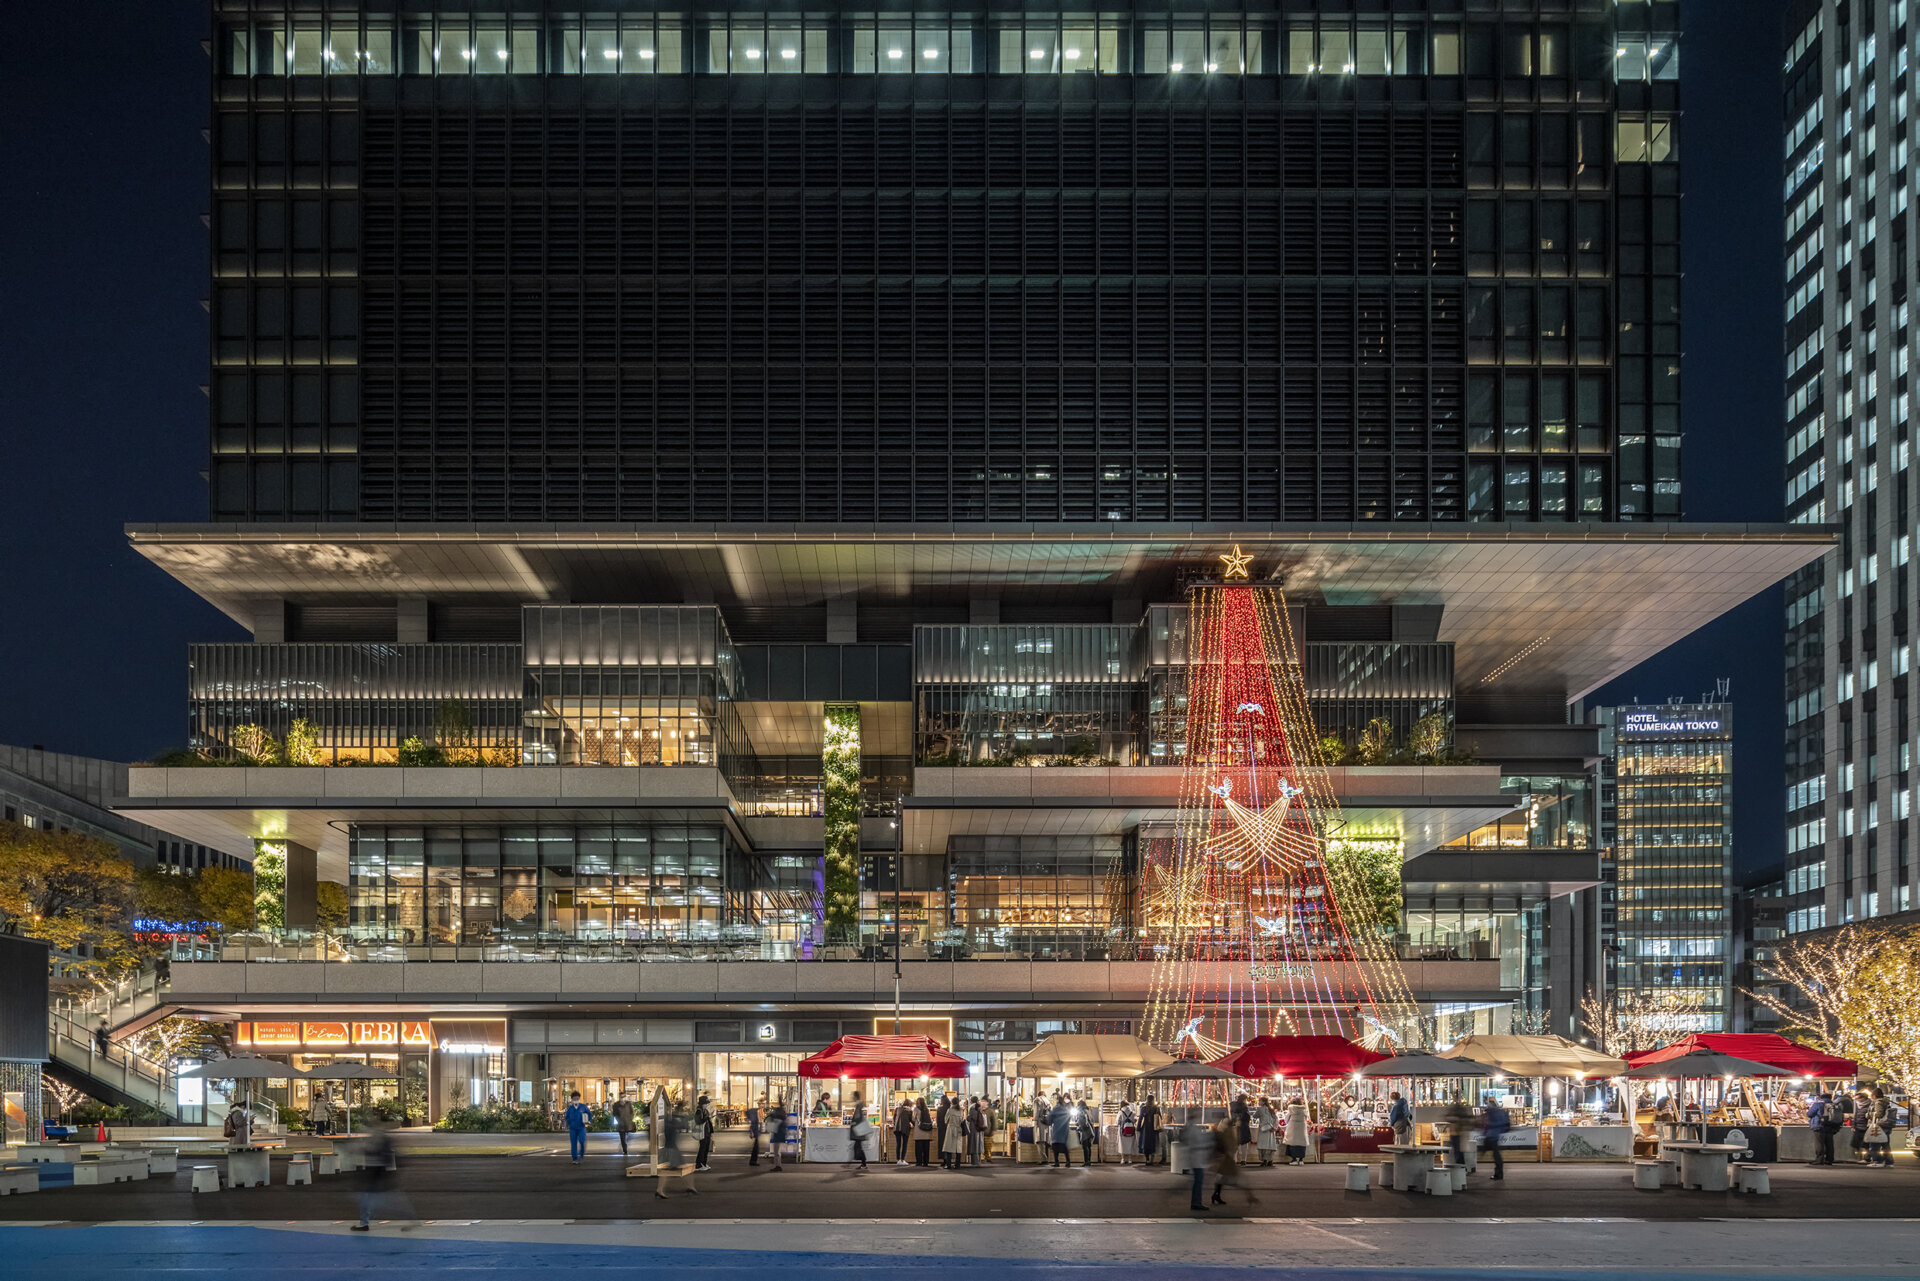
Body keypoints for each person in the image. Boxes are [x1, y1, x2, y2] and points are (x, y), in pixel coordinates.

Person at [351, 1119, 407, 1230]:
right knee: (387, 1198)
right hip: (379, 1171)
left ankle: (364, 1223)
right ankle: (409, 1219)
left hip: (375, 1172)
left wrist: (361, 1148)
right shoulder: (382, 1137)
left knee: (369, 1198)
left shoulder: (377, 1138)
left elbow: (372, 1150)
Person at [656, 1099, 700, 1198]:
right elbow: (682, 1125)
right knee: (683, 1168)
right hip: (672, 1149)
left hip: (669, 1148)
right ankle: (690, 1187)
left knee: (668, 1171)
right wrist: (684, 1118)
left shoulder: (665, 1121)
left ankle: (660, 1190)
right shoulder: (669, 1122)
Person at [1208, 1115, 1252, 1208]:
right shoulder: (1229, 1131)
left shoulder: (1227, 1131)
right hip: (1227, 1159)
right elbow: (1230, 1145)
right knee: (1233, 1179)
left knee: (1223, 1179)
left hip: (1226, 1158)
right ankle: (1249, 1196)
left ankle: (1216, 1195)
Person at [1178, 1113, 1212, 1212]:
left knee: (1197, 1180)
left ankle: (1196, 1201)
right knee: (1198, 1181)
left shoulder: (1188, 1129)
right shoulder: (1193, 1130)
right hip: (1197, 1158)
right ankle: (1196, 1202)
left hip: (1194, 1158)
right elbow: (1199, 1142)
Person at [1479, 1096, 1510, 1180]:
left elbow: (1490, 1124)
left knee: (1496, 1154)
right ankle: (1498, 1173)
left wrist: (1487, 1126)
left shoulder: (1492, 1113)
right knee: (1496, 1154)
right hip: (1495, 1135)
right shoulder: (1499, 1112)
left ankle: (1498, 1174)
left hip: (1492, 1135)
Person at [1864, 1086, 1894, 1167]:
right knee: (1885, 1145)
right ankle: (1889, 1162)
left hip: (1878, 1126)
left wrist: (1868, 1114)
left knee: (1874, 1145)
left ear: (1874, 1095)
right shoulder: (1885, 1102)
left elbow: (1878, 1114)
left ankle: (1877, 1161)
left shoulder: (1878, 1102)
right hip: (1886, 1126)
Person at [1442, 1097, 1472, 1170]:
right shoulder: (1460, 1115)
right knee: (1458, 1153)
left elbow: (1449, 1118)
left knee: (1458, 1153)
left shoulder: (1456, 1116)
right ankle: (1462, 1168)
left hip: (1457, 1135)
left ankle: (1461, 1168)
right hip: (1457, 1135)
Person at [563, 1090, 592, 1164]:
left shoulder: (583, 1107)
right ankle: (574, 1158)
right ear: (572, 1099)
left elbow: (589, 1114)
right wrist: (566, 1125)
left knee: (582, 1141)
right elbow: (566, 1117)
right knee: (573, 1143)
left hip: (581, 1127)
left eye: (577, 1098)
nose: (576, 1100)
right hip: (572, 1128)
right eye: (574, 1099)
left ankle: (581, 1155)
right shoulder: (570, 1108)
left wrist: (589, 1121)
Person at [1815, 1090, 1841, 1166]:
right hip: (1831, 1126)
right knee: (1830, 1144)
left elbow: (1809, 1113)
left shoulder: (1819, 1104)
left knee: (1820, 1143)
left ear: (1821, 1097)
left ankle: (1819, 1160)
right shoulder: (1835, 1105)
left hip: (1820, 1125)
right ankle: (1829, 1159)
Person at [1282, 1096, 1310, 1166]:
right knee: (1301, 1143)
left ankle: (1294, 1159)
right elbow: (1306, 1118)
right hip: (1302, 1128)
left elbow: (1286, 1119)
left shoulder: (1291, 1109)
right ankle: (1301, 1160)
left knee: (1292, 1143)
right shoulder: (1303, 1109)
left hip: (1292, 1128)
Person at [943, 1094, 969, 1168]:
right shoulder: (961, 1111)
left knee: (949, 1147)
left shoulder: (950, 1110)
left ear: (952, 1102)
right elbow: (962, 1121)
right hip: (959, 1130)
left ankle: (948, 1164)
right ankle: (957, 1164)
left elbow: (946, 1120)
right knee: (958, 1148)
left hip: (951, 1129)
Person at [848, 1091, 870, 1171]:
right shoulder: (859, 1105)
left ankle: (863, 1163)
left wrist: (853, 1123)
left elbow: (857, 1118)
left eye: (853, 1096)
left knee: (858, 1148)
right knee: (858, 1147)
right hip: (859, 1131)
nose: (851, 1098)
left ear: (855, 1097)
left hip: (858, 1131)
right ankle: (863, 1163)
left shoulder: (858, 1106)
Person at [1048, 1094, 1073, 1167]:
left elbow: (1050, 1118)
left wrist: (1048, 1121)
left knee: (1055, 1146)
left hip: (1057, 1129)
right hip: (1065, 1129)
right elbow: (1069, 1117)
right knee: (1064, 1146)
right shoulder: (1066, 1109)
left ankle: (1057, 1162)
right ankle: (1068, 1161)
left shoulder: (1055, 1109)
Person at [1253, 1096, 1278, 1167]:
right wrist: (1274, 1127)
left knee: (1263, 1145)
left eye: (1260, 1101)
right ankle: (1270, 1160)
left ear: (1263, 1102)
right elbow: (1276, 1119)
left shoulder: (1260, 1109)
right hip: (1271, 1129)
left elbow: (1255, 1116)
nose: (1259, 1102)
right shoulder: (1271, 1109)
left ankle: (1265, 1160)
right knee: (1270, 1145)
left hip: (1263, 1129)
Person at [765, 1096, 788, 1172]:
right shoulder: (783, 1119)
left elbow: (771, 1117)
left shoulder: (778, 1119)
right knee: (778, 1151)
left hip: (778, 1136)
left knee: (776, 1151)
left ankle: (778, 1166)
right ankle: (778, 1165)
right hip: (780, 1135)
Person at [694, 1092, 716, 1171]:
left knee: (706, 1148)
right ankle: (699, 1164)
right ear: (702, 1103)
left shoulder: (705, 1110)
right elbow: (698, 1121)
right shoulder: (699, 1111)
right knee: (702, 1148)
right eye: (705, 1103)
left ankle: (703, 1163)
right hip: (702, 1132)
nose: (706, 1105)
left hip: (707, 1132)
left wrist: (711, 1131)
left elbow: (708, 1121)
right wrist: (705, 1118)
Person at [1848, 1088, 1870, 1164]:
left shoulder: (1869, 1106)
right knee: (1855, 1144)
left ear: (1863, 1098)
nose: (1856, 1100)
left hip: (1866, 1128)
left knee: (1866, 1144)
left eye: (1858, 1098)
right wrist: (1853, 1125)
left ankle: (1867, 1158)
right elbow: (1855, 1116)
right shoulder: (1858, 1105)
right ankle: (1858, 1157)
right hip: (1858, 1127)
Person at [1137, 1094, 1161, 1166]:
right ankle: (1152, 1160)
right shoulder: (1156, 1108)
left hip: (1145, 1128)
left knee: (1145, 1144)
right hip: (1154, 1128)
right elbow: (1160, 1118)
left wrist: (1138, 1127)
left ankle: (1147, 1160)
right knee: (1153, 1143)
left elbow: (1140, 1119)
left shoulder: (1143, 1108)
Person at [612, 1092, 637, 1159]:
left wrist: (630, 1119)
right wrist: (618, 1120)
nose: (623, 1098)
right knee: (622, 1138)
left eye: (624, 1097)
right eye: (621, 1097)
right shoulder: (616, 1105)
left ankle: (625, 1145)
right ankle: (624, 1149)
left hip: (628, 1123)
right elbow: (614, 1114)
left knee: (629, 1135)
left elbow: (632, 1112)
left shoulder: (628, 1104)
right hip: (621, 1124)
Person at [1231, 1092, 1253, 1162]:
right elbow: (1247, 1116)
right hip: (1243, 1126)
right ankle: (1243, 1160)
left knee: (1235, 1144)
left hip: (1235, 1125)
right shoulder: (1244, 1107)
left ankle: (1234, 1159)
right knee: (1244, 1144)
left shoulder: (1232, 1105)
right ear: (1244, 1099)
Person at [913, 1096, 934, 1167]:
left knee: (918, 1149)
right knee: (926, 1149)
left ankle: (919, 1162)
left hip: (919, 1132)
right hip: (927, 1133)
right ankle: (926, 1162)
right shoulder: (926, 1109)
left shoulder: (916, 1109)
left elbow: (913, 1118)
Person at [1074, 1097, 1095, 1167]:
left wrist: (1078, 1125)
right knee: (1088, 1146)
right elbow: (1092, 1120)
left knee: (1085, 1146)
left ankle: (1086, 1161)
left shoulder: (1080, 1112)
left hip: (1085, 1131)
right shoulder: (1088, 1111)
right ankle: (1089, 1161)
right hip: (1090, 1130)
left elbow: (1082, 1123)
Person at [893, 1096, 914, 1165]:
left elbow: (894, 1118)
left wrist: (895, 1124)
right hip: (905, 1129)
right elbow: (912, 1120)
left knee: (898, 1144)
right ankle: (902, 1159)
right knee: (904, 1144)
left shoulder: (897, 1109)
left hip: (897, 1129)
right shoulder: (909, 1110)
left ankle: (898, 1159)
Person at [1117, 1100, 1138, 1166]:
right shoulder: (1132, 1112)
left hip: (1123, 1130)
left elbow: (1117, 1122)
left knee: (1122, 1144)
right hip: (1131, 1130)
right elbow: (1135, 1120)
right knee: (1130, 1144)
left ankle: (1123, 1159)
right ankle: (1130, 1159)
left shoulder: (1120, 1112)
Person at [745, 1096, 763, 1166]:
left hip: (756, 1131)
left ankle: (753, 1161)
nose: (763, 1105)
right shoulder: (754, 1112)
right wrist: (751, 1132)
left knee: (756, 1146)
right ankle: (753, 1161)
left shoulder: (757, 1111)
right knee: (756, 1147)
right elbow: (753, 1123)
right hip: (755, 1131)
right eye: (762, 1103)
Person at [967, 1096, 986, 1167]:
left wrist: (967, 1117)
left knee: (974, 1144)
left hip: (974, 1128)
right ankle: (979, 1161)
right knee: (978, 1144)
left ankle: (975, 1162)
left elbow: (970, 1118)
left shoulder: (972, 1107)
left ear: (971, 1101)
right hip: (980, 1128)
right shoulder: (980, 1107)